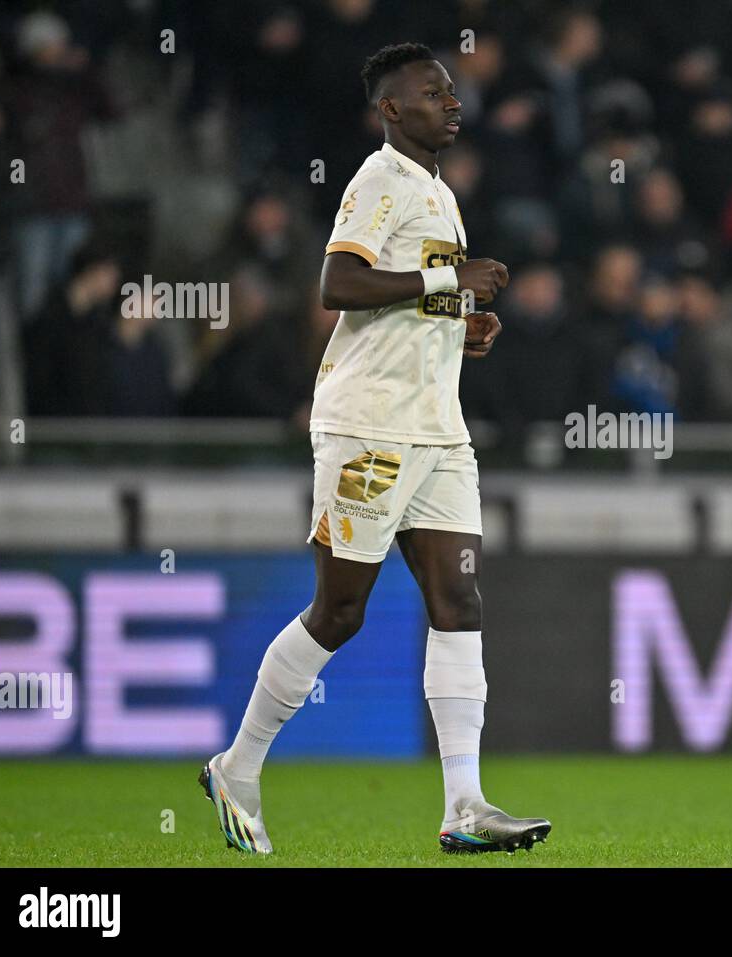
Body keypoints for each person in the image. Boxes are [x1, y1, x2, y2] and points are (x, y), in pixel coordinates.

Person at [199, 43, 550, 856]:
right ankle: (238, 765)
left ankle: (465, 802)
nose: (452, 103)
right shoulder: (378, 181)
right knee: (342, 610)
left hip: (439, 430)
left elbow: (411, 303)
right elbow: (339, 285)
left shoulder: (440, 193)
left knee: (459, 604)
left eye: (453, 91)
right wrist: (448, 286)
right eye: (432, 93)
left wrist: (463, 325)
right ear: (393, 110)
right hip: (371, 428)